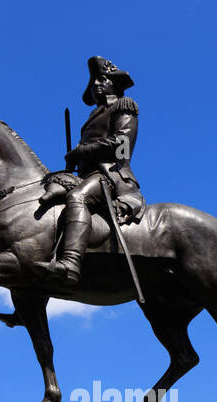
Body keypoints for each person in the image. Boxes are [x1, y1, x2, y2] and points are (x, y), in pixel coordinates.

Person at [33, 56, 145, 286]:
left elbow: (122, 146)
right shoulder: (93, 116)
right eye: (93, 81)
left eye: (101, 79)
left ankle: (70, 265)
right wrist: (74, 163)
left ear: (114, 83)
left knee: (77, 197)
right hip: (87, 175)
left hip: (111, 175)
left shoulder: (124, 106)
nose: (95, 85)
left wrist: (81, 151)